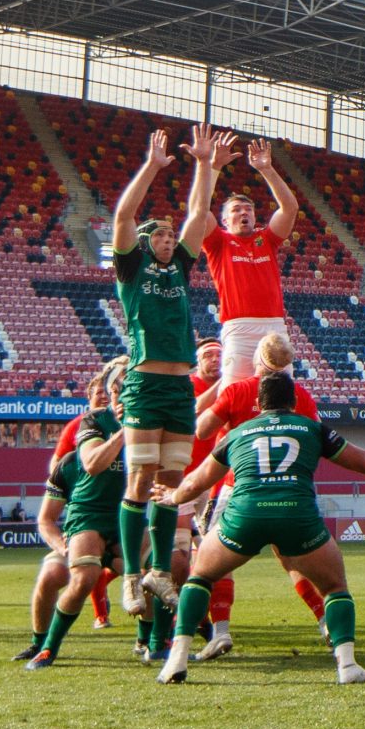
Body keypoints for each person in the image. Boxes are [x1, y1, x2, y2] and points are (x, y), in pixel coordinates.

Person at [155, 373, 365, 684]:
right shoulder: (312, 428)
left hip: (244, 515)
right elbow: (363, 462)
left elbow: (196, 481)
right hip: (297, 517)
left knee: (200, 577)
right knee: (335, 588)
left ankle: (176, 661)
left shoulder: (237, 433)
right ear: (295, 402)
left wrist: (171, 497)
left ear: (257, 405)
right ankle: (348, 667)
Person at [110, 123, 234, 614]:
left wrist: (206, 165)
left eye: (169, 234)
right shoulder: (131, 269)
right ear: (144, 243)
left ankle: (160, 572)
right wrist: (154, 166)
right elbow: (123, 213)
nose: (167, 239)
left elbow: (199, 213)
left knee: (170, 484)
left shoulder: (180, 267)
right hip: (144, 383)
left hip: (179, 387)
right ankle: (130, 576)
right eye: (159, 234)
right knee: (139, 481)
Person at [185, 331, 329, 660]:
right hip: (290, 490)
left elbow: (201, 430)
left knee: (211, 563)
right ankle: (325, 621)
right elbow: (321, 442)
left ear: (255, 360)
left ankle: (217, 632)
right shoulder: (302, 397)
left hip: (240, 490)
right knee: (295, 559)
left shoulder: (237, 390)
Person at [23, 365, 137, 670]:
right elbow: (46, 519)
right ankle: (42, 643)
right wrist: (61, 545)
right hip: (83, 527)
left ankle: (156, 640)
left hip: (121, 526)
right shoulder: (71, 461)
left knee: (156, 573)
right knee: (57, 576)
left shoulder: (139, 440)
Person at [201, 136, 301, 375]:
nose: (244, 212)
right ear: (225, 220)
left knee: (282, 392)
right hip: (239, 327)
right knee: (235, 392)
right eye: (236, 210)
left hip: (274, 326)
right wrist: (213, 167)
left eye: (249, 209)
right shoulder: (218, 241)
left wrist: (266, 169)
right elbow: (199, 210)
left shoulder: (266, 239)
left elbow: (290, 208)